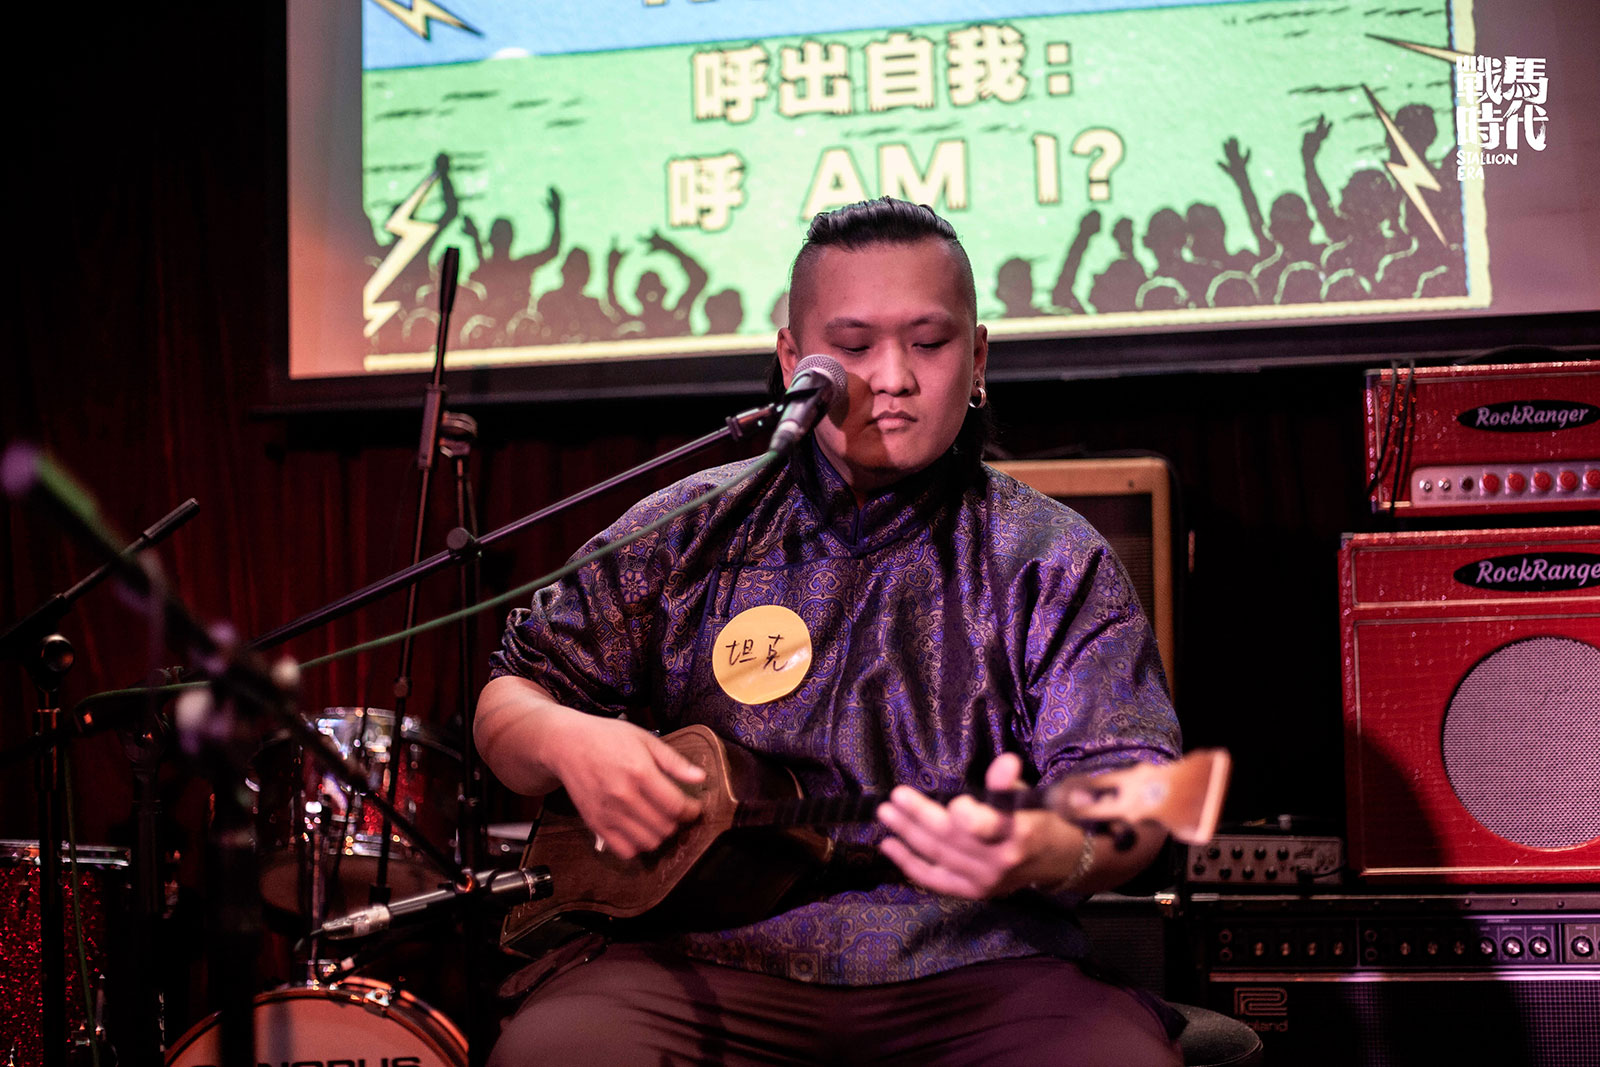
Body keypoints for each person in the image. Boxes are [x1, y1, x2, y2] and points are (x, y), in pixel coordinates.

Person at [475, 197, 1184, 1066]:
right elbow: (509, 702)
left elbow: (1135, 794)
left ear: (979, 357)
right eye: (852, 347)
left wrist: (1043, 844)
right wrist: (565, 738)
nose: (892, 376)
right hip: (700, 958)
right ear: (790, 360)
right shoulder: (690, 527)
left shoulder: (1050, 556)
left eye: (929, 342)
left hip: (980, 967)